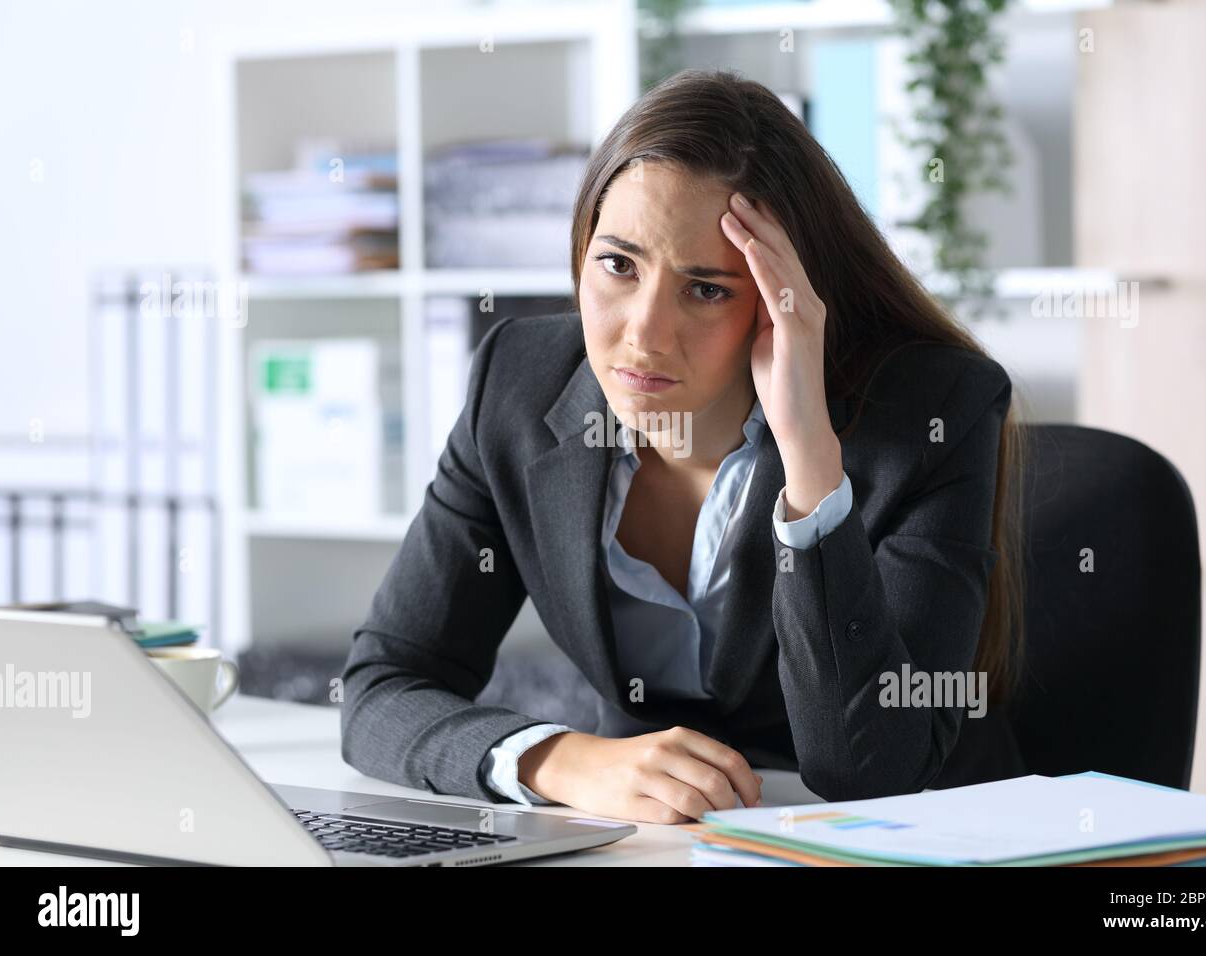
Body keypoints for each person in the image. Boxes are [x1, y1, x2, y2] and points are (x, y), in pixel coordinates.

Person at [340, 69, 1026, 825]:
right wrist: (561, 760)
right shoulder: (517, 385)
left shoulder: (933, 413)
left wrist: (809, 462)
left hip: (901, 844)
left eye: (706, 288)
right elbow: (381, 688)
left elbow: (868, 768)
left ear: (782, 296)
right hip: (649, 841)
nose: (643, 333)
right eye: (618, 265)